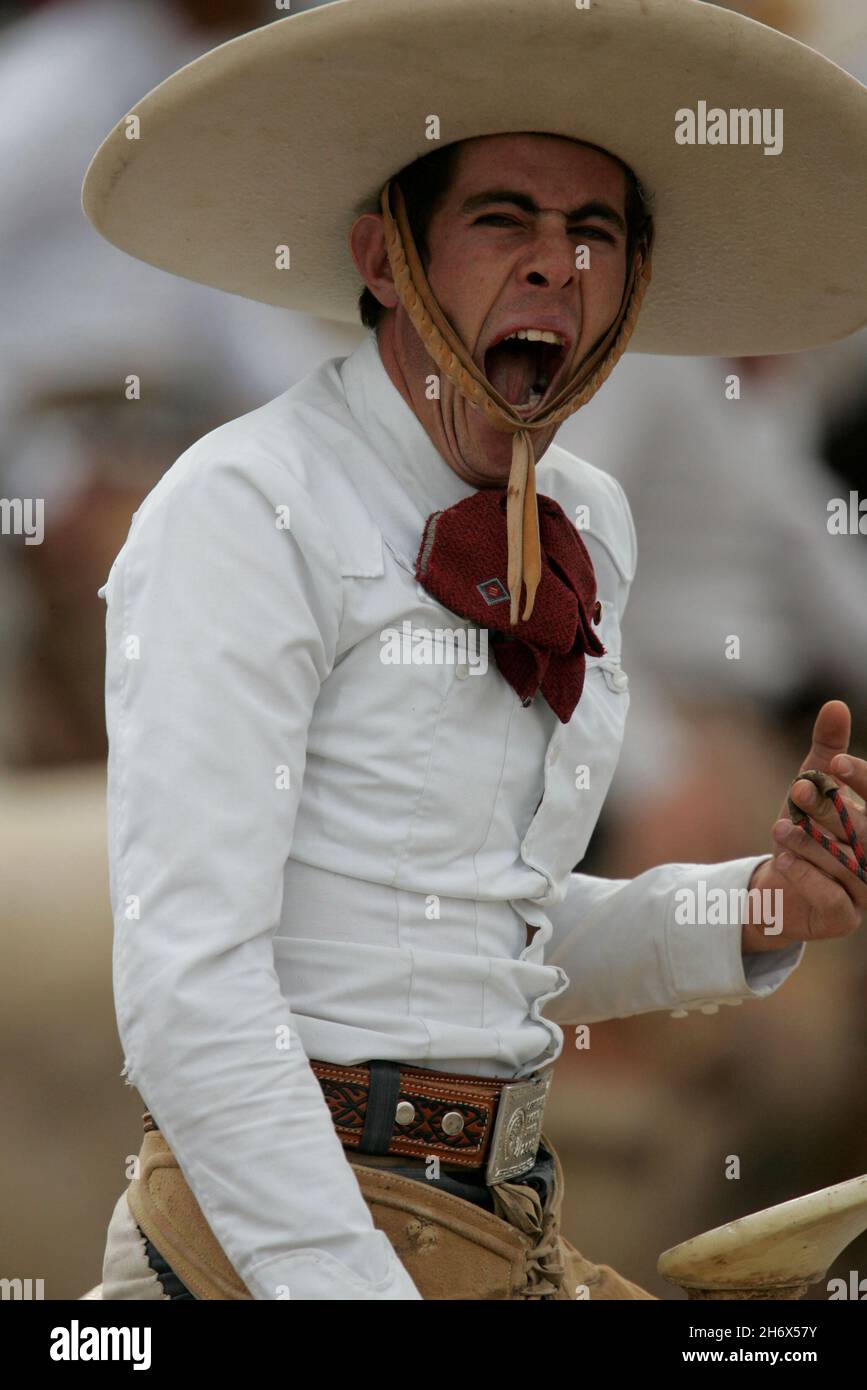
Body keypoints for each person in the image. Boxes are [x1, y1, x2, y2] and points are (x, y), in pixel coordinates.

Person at [83, 0, 867, 1299]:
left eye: (595, 234)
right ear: (383, 259)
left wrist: (755, 905)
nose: (557, 267)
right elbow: (189, 992)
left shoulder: (589, 527)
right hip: (273, 1240)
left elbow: (480, 927)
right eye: (506, 220)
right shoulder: (243, 509)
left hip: (494, 1226)